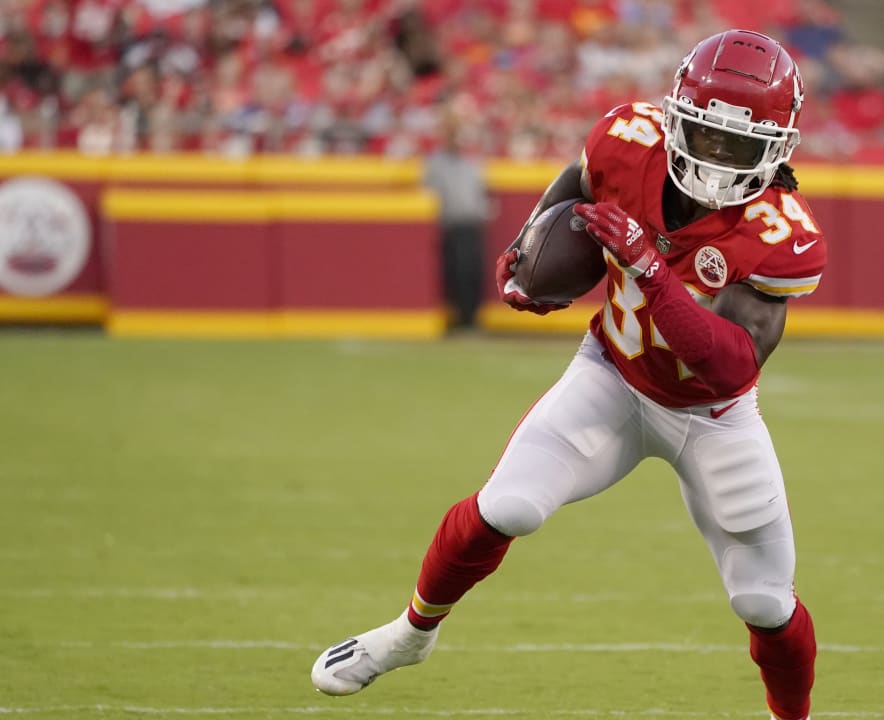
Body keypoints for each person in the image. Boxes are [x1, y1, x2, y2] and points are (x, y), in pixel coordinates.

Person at [311, 29, 826, 720]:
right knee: (508, 506)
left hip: (711, 418)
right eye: (705, 135)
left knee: (764, 600)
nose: (717, 158)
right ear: (676, 117)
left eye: (739, 146)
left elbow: (731, 365)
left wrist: (649, 271)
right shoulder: (628, 137)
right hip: (611, 375)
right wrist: (528, 249)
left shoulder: (781, 233)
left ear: (779, 148)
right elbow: (580, 184)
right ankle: (409, 634)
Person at [424, 112, 491, 333]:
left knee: (473, 271)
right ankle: (460, 318)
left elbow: (478, 194)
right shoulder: (435, 163)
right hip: (451, 225)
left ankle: (471, 318)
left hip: (471, 225)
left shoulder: (470, 162)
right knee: (456, 272)